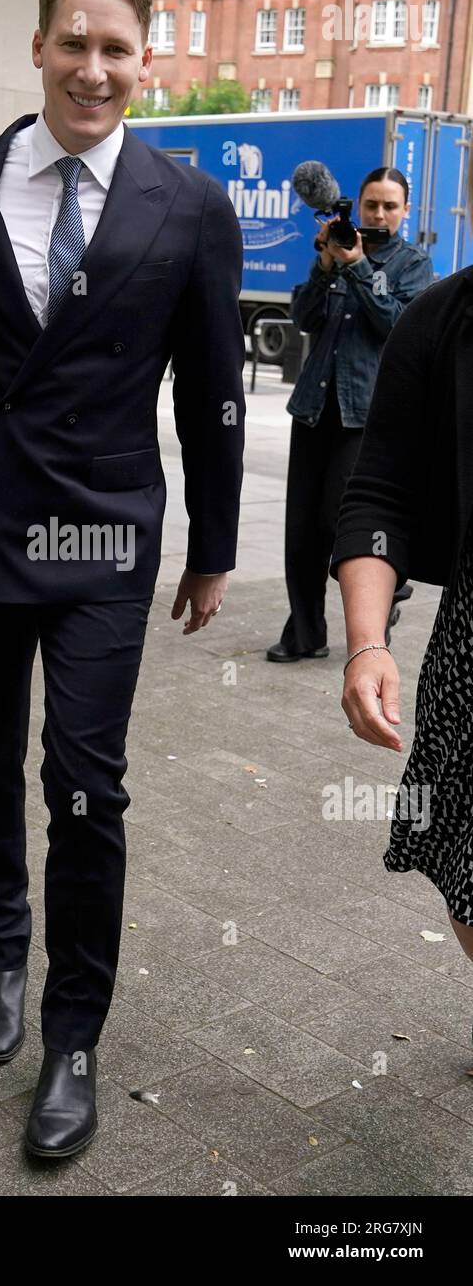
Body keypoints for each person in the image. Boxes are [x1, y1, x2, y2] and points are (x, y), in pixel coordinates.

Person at [0, 0, 245, 1158]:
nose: (93, 68)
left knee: (86, 780)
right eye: (73, 43)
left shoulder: (188, 206)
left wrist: (215, 548)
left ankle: (73, 1038)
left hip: (100, 535)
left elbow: (213, 394)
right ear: (37, 47)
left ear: (148, 64)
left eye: (116, 50)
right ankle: (0, 950)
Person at [330, 152, 473, 991]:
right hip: (470, 645)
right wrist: (364, 643)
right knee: (465, 873)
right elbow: (377, 491)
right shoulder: (439, 317)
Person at [266, 167, 434, 664]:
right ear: (357, 207)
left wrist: (359, 267)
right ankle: (305, 632)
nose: (379, 214)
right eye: (371, 205)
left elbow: (399, 326)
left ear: (405, 211)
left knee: (343, 523)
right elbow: (303, 319)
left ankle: (385, 600)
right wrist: (324, 263)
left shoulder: (413, 264)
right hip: (315, 409)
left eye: (389, 206)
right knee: (301, 532)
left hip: (368, 416)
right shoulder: (336, 251)